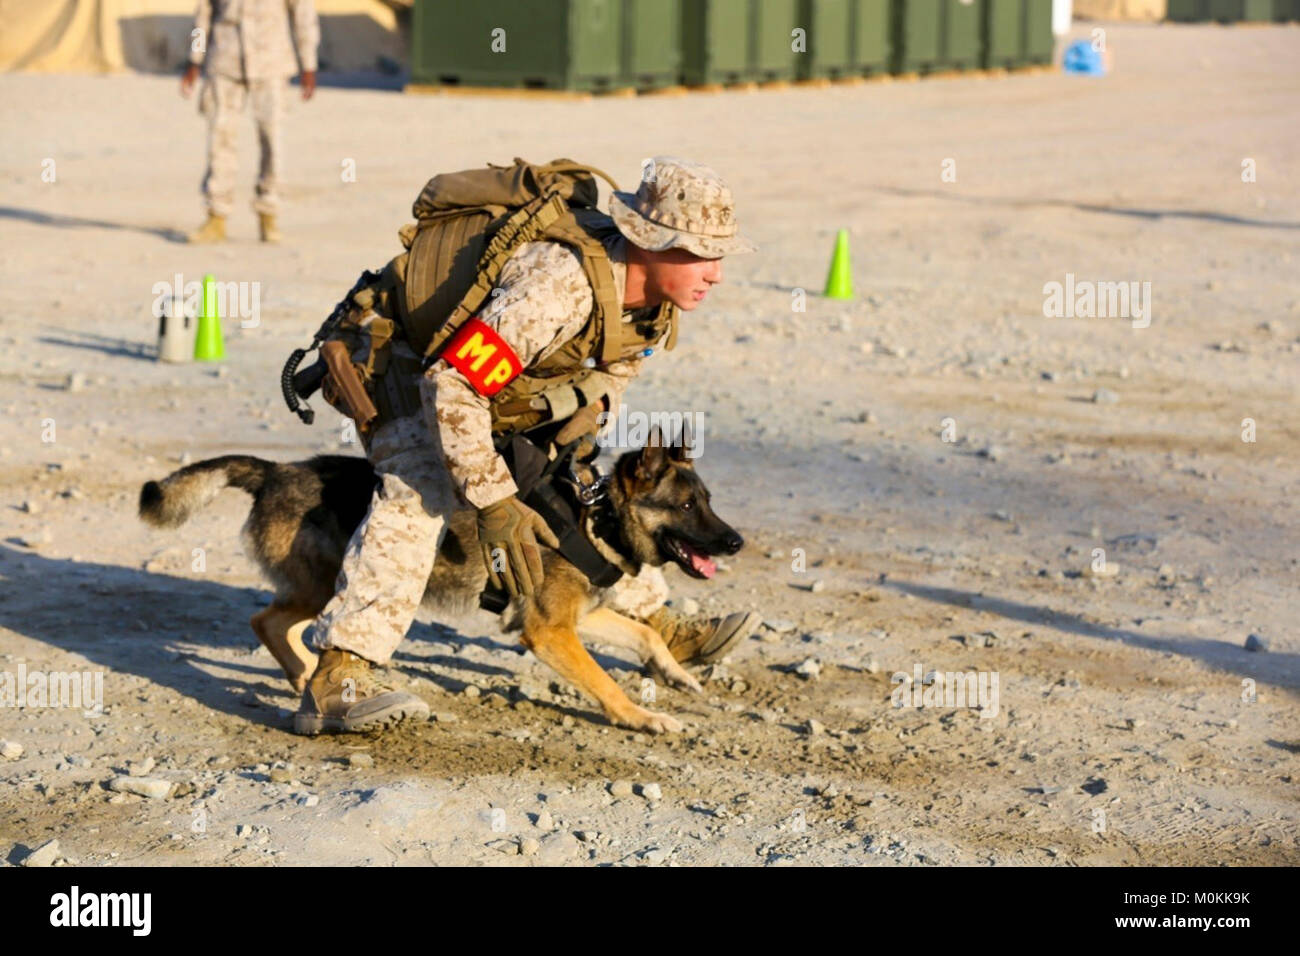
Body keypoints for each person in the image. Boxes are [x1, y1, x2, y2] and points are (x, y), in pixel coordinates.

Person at [295, 157, 763, 735]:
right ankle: (340, 677)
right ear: (648, 243)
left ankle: (654, 624)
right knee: (423, 487)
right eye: (697, 253)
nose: (714, 272)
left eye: (717, 255)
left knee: (585, 491)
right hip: (404, 364)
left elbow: (615, 371)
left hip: (504, 385)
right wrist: (492, 501)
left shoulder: (654, 296)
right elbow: (454, 385)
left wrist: (576, 428)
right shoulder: (556, 287)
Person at [180, 0, 319, 244]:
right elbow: (203, 13)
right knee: (219, 140)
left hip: (271, 62)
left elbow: (303, 12)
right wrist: (195, 59)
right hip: (224, 60)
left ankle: (268, 214)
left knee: (272, 141)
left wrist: (308, 63)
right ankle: (216, 216)